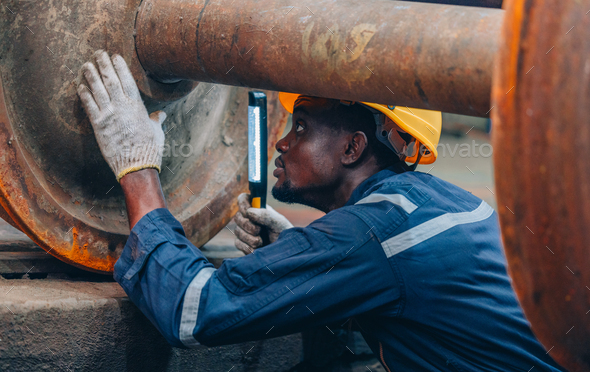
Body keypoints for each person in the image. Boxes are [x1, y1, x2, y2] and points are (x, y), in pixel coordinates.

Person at [77, 50, 566, 372]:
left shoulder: (371, 235)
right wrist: (299, 254)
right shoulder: (435, 204)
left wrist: (137, 165)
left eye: (303, 127)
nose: (283, 142)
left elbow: (192, 310)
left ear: (353, 148)